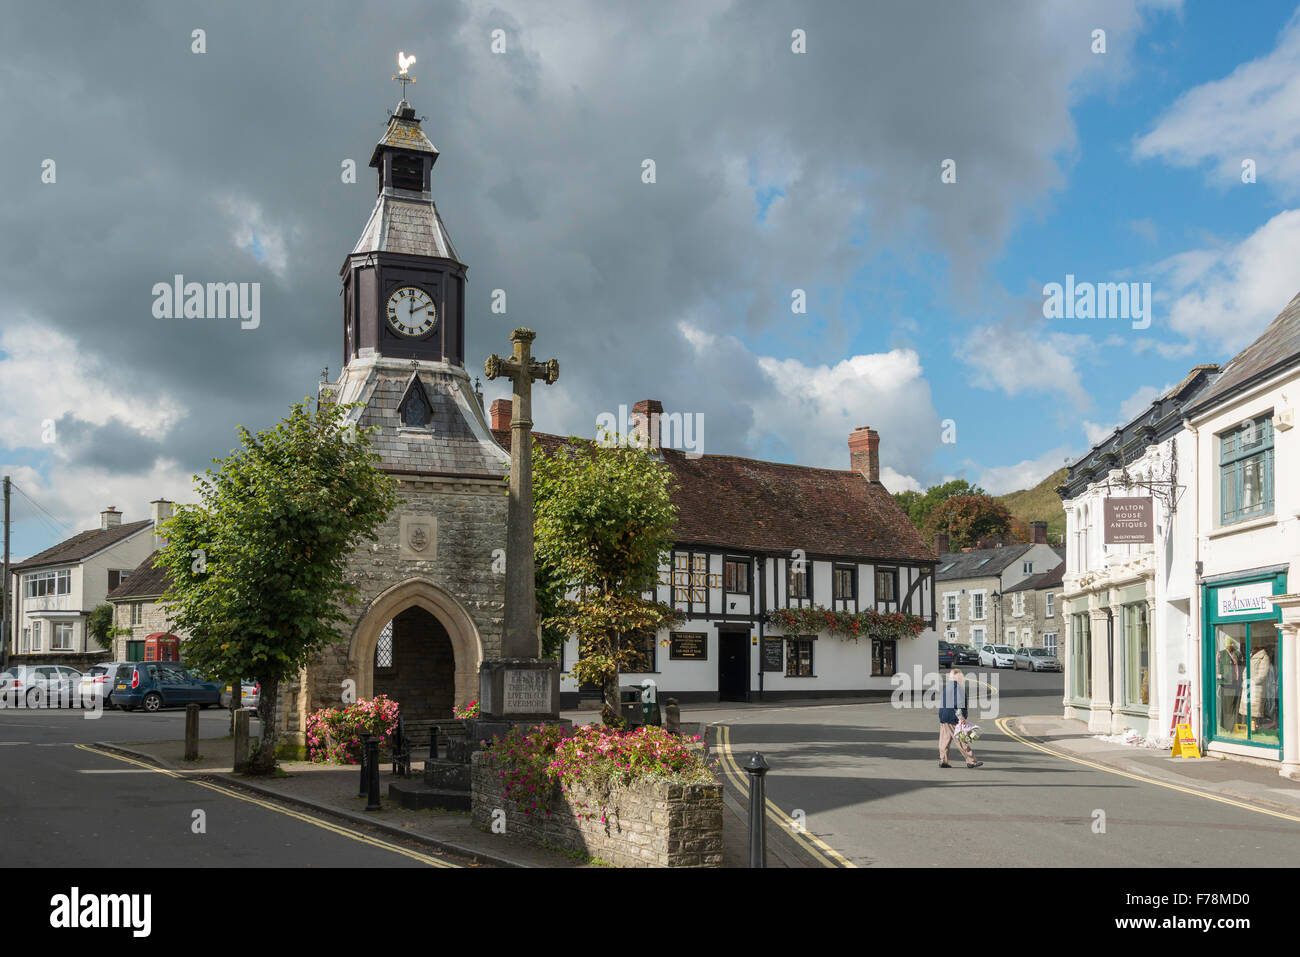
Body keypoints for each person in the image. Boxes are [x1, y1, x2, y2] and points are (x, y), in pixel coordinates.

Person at [939, 668, 982, 768]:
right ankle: (971, 761)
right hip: (953, 717)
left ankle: (943, 760)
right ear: (959, 677)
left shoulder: (947, 687)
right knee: (961, 740)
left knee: (944, 740)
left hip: (943, 716)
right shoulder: (958, 688)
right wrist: (961, 718)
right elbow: (958, 705)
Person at [1217, 638, 1243, 732]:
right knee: (1228, 706)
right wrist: (1218, 676)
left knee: (1236, 705)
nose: (1229, 646)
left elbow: (1241, 664)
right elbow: (1216, 666)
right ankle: (1227, 727)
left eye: (1231, 644)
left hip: (1237, 682)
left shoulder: (1237, 653)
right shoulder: (1221, 653)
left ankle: (1234, 726)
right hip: (1226, 683)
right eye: (1228, 644)